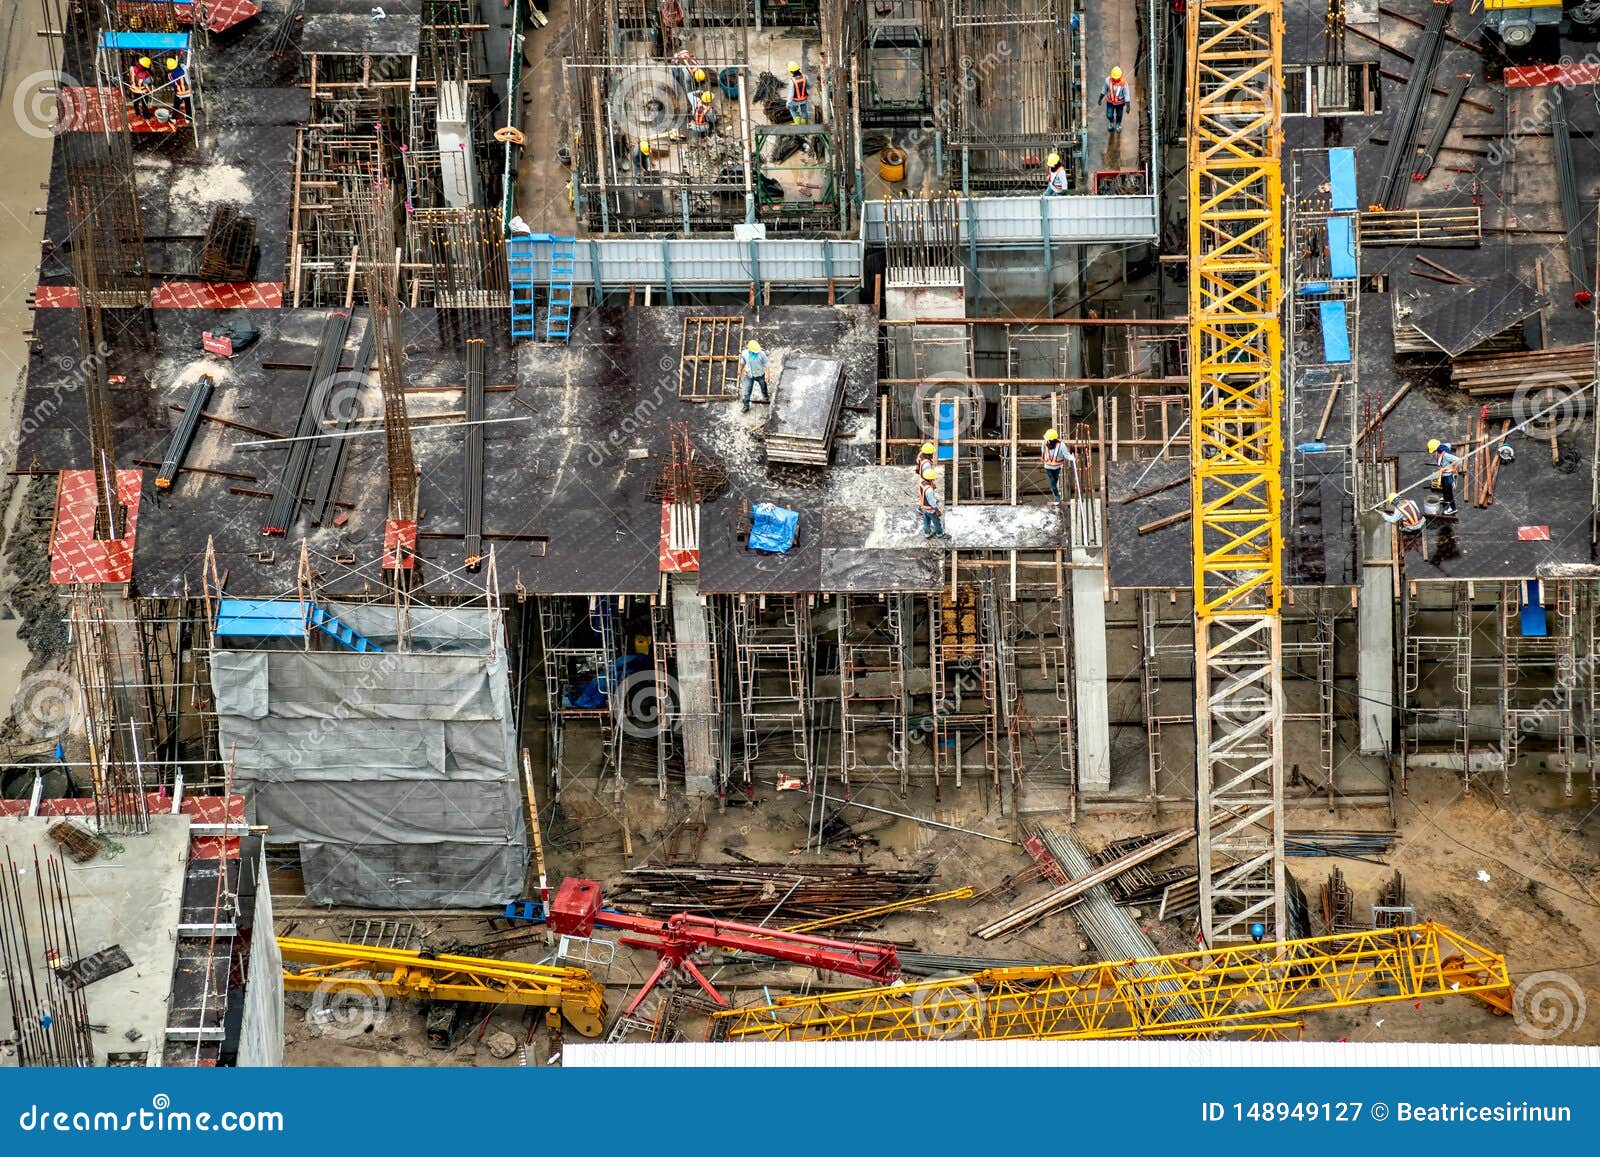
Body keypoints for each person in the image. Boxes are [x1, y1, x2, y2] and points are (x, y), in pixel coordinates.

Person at [1427, 438, 1463, 515]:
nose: (1433, 452)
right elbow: (1449, 445)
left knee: (1449, 493)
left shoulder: (1446, 455)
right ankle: (1445, 499)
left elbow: (1459, 460)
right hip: (1443, 474)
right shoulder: (1442, 447)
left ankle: (1453, 508)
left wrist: (1454, 469)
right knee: (1444, 489)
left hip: (1448, 476)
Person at [1041, 427, 1076, 501]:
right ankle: (1057, 496)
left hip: (1057, 467)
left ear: (1051, 440)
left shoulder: (1062, 445)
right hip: (1048, 467)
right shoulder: (1044, 443)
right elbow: (1043, 451)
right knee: (1052, 481)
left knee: (1055, 480)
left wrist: (1072, 458)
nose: (1045, 439)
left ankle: (1055, 491)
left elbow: (1066, 455)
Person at [918, 464, 949, 540]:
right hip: (931, 509)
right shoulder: (929, 490)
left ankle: (927, 534)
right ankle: (940, 534)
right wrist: (937, 510)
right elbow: (931, 501)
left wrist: (931, 486)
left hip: (924, 507)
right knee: (936, 522)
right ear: (931, 479)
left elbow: (925, 492)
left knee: (926, 521)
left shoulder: (922, 483)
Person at [740, 340, 769, 412]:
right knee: (747, 391)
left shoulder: (762, 354)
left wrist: (768, 375)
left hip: (760, 374)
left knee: (763, 385)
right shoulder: (744, 353)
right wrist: (740, 370)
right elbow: (742, 363)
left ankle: (765, 396)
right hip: (749, 375)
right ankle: (746, 405)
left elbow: (767, 364)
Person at [1098, 66, 1129, 133]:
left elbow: (1127, 95)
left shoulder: (1124, 83)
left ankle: (1118, 124)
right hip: (1110, 102)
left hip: (1120, 103)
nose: (1116, 79)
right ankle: (1111, 121)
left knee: (1119, 115)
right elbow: (1103, 90)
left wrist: (1128, 106)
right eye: (1114, 78)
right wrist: (1100, 99)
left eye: (1117, 78)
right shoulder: (1107, 81)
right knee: (1109, 115)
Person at [166, 55, 191, 120]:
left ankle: (173, 118)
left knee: (176, 106)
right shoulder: (183, 69)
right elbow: (182, 84)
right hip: (187, 92)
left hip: (179, 93)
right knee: (188, 106)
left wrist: (180, 92)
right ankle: (188, 119)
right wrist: (188, 91)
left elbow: (177, 85)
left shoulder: (170, 75)